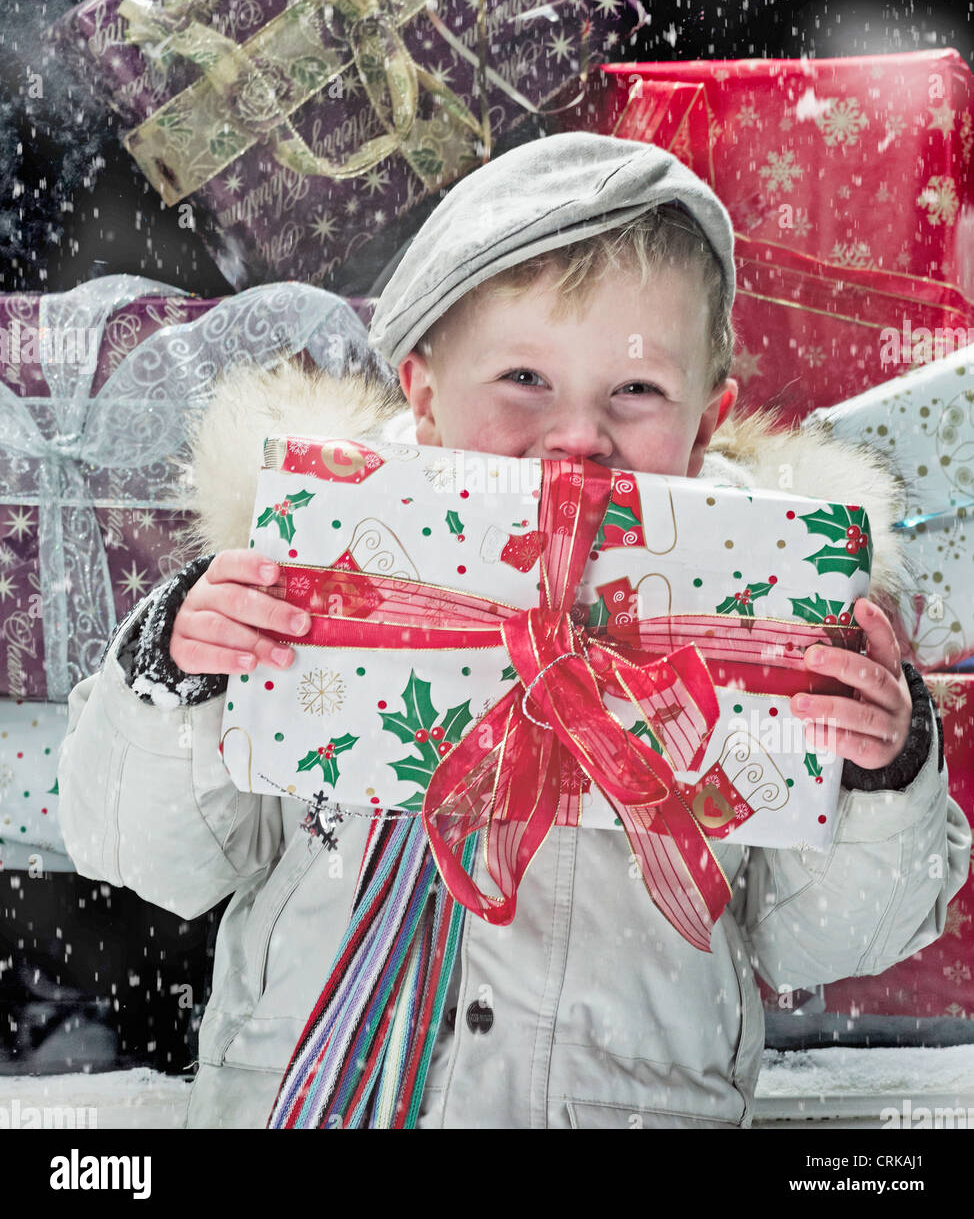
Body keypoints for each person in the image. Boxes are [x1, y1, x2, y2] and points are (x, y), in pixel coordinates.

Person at [57, 134, 971, 1129]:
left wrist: (883, 773)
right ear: (424, 395)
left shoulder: (768, 622)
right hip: (305, 1102)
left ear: (704, 427)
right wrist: (170, 668)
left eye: (633, 392)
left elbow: (821, 942)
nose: (576, 435)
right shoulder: (310, 574)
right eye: (523, 379)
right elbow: (149, 856)